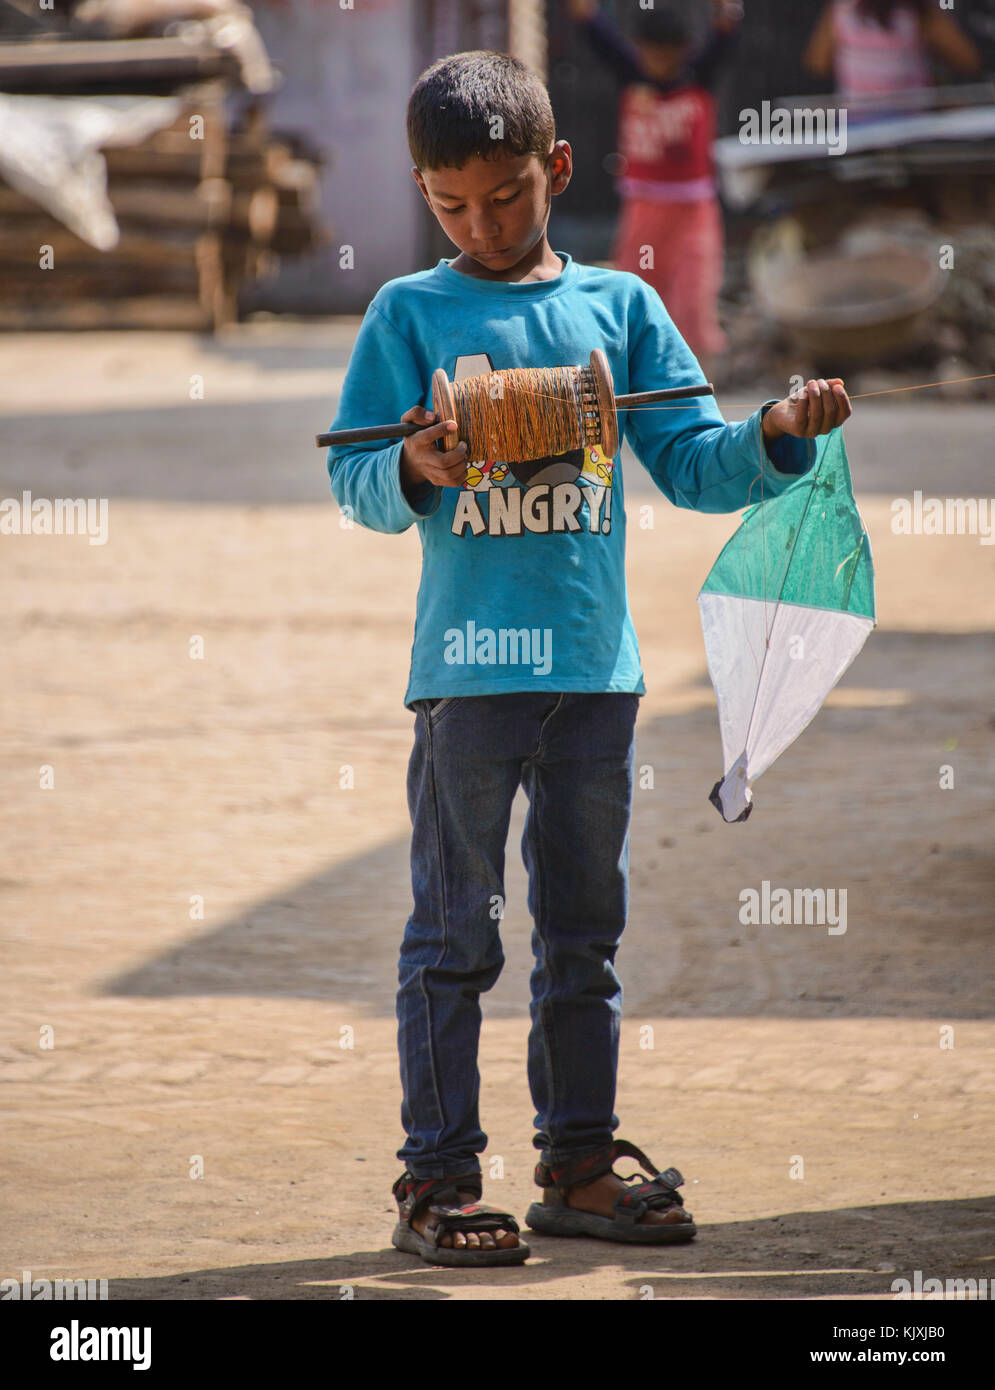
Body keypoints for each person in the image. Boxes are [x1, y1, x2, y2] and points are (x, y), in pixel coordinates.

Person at [324, 48, 852, 1267]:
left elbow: (694, 461)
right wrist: (414, 465)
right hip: (465, 678)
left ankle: (574, 1161)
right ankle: (438, 1179)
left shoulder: (619, 310)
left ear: (556, 168)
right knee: (455, 934)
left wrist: (770, 432)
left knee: (583, 935)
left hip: (594, 678)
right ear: (421, 192)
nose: (482, 221)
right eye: (452, 204)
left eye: (506, 194)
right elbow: (355, 482)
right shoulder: (408, 315)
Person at [567, 0, 744, 379]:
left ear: (682, 52)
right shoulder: (630, 73)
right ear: (640, 49)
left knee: (694, 297)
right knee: (638, 291)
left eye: (668, 54)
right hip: (644, 209)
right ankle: (634, 380)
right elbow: (592, 27)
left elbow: (726, 28)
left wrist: (726, 13)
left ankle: (698, 385)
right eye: (652, 53)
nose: (660, 62)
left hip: (694, 211)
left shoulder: (699, 75)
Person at [803, 0, 982, 120]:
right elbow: (968, 61)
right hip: (908, 124)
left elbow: (818, 63)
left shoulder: (841, 8)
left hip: (862, 124)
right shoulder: (919, 12)